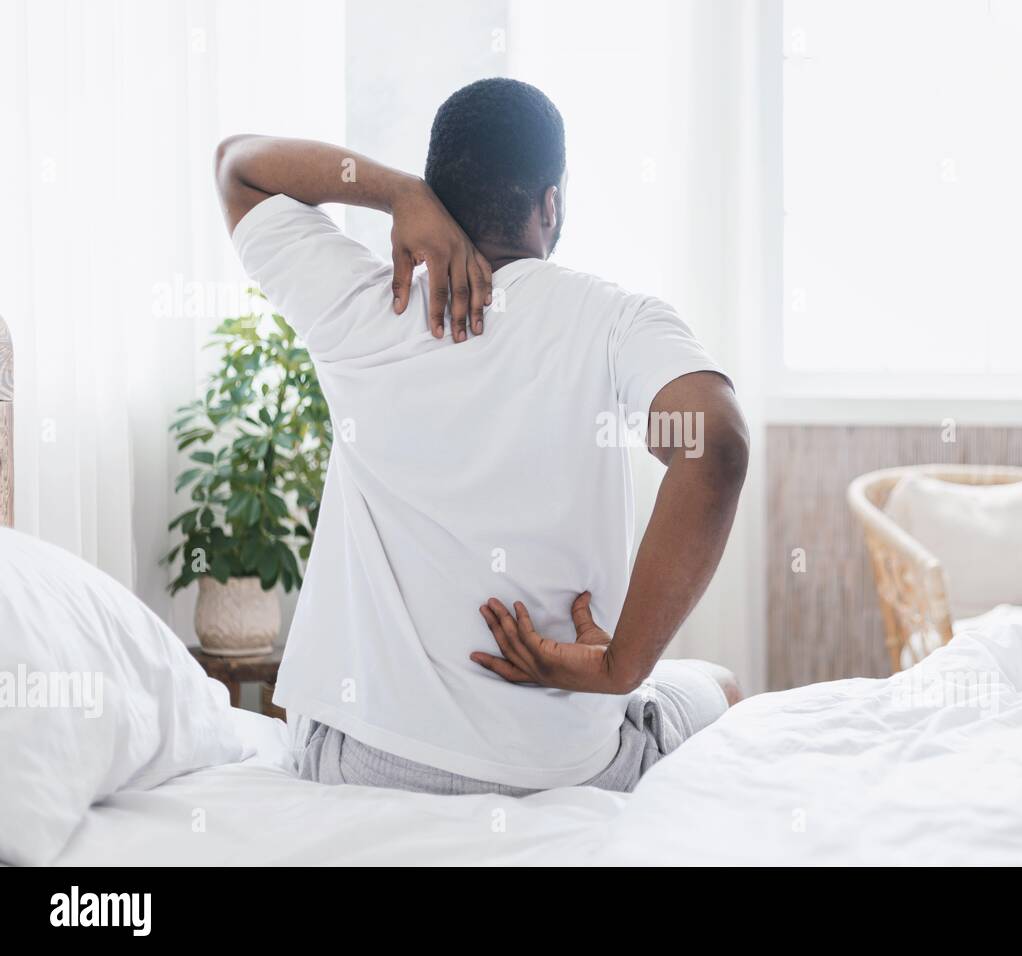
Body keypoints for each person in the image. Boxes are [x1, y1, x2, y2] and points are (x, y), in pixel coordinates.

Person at [214, 77, 748, 796]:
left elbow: (238, 166)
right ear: (550, 204)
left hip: (364, 762)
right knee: (721, 683)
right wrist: (621, 666)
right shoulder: (615, 321)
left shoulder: (361, 309)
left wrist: (397, 194)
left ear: (439, 196)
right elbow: (715, 447)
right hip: (569, 768)